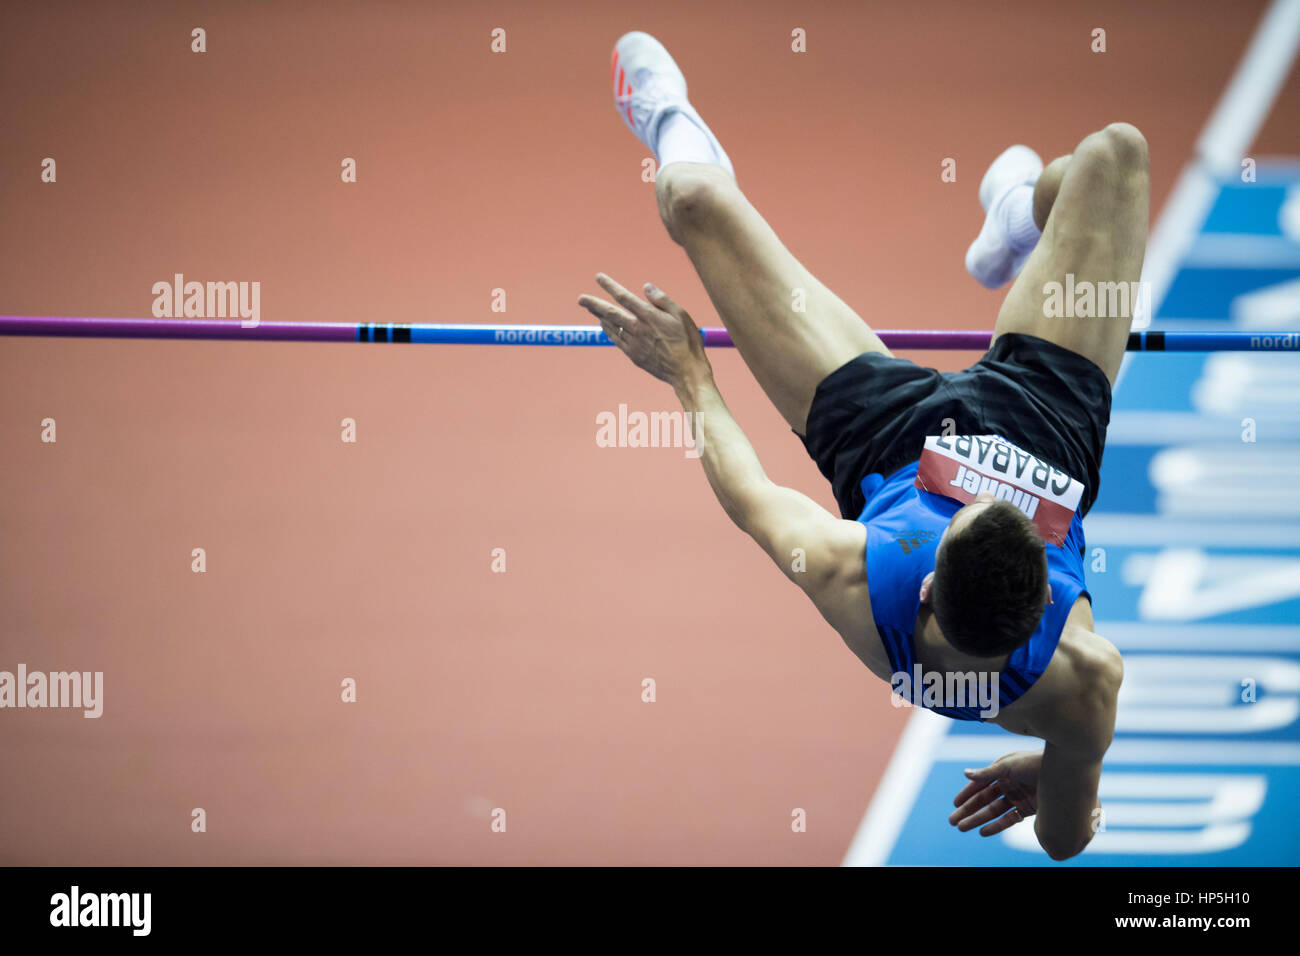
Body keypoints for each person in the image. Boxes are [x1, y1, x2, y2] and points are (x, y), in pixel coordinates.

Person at [579, 31, 1147, 861]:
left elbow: (750, 497)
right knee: (1113, 157)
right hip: (1046, 430)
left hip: (887, 430)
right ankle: (1020, 217)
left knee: (692, 201)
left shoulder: (856, 571)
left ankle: (664, 115)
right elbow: (1066, 842)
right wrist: (1062, 763)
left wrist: (689, 373)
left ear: (925, 587)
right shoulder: (1084, 680)